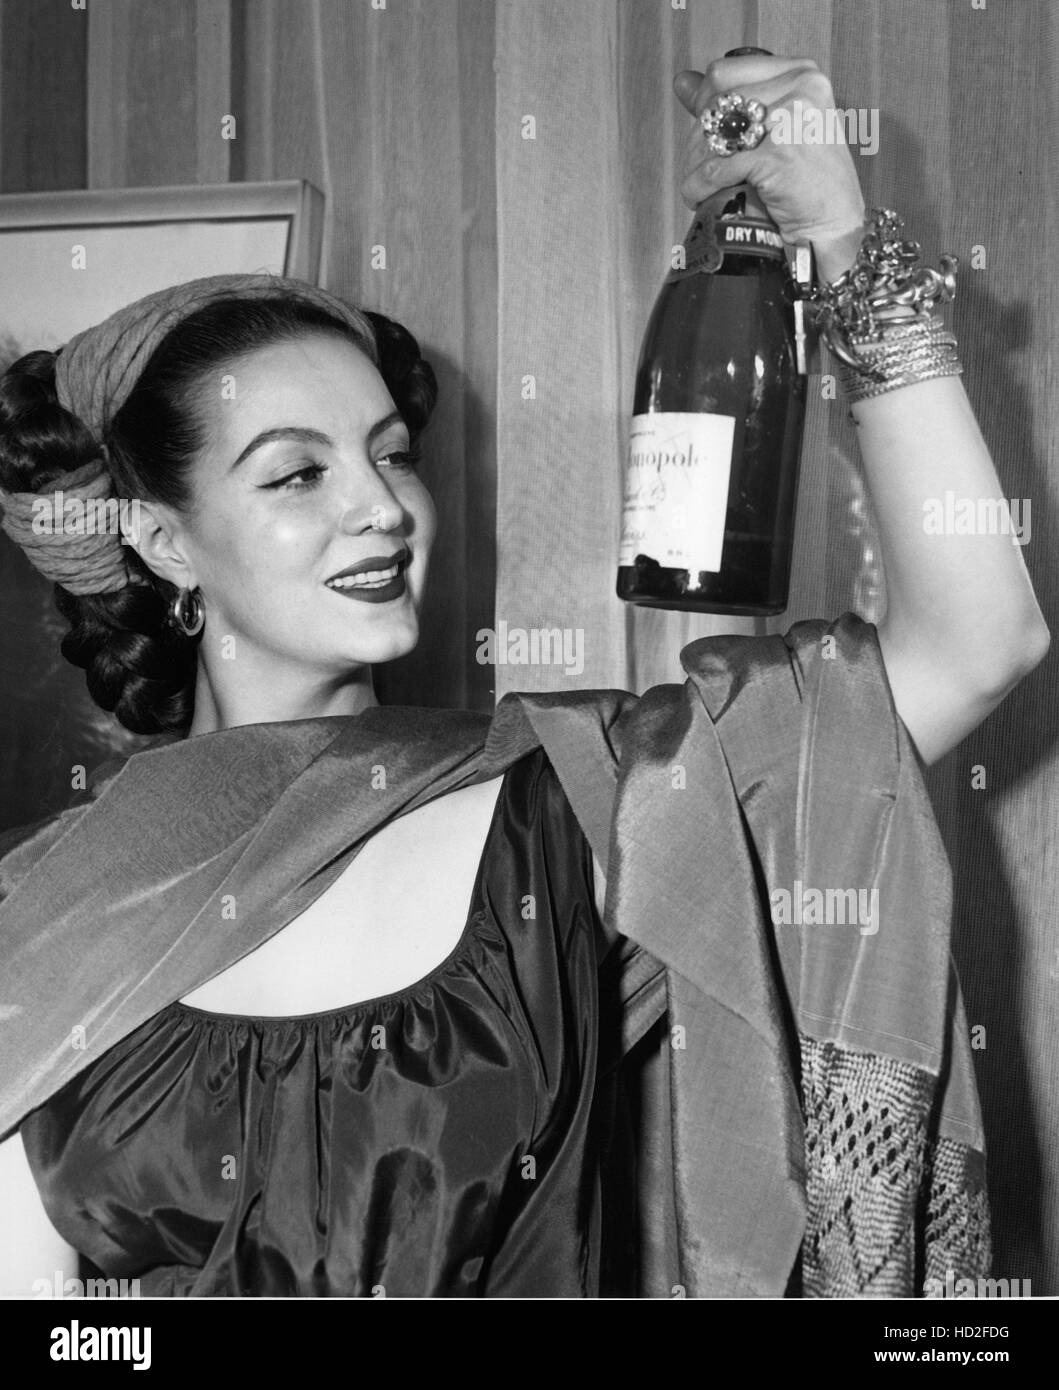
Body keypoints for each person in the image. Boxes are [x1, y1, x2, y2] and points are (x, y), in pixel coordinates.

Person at [0, 55, 1048, 1298]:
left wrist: (842, 239)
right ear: (165, 539)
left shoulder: (571, 800)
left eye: (391, 455)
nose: (383, 510)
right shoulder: (48, 910)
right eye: (298, 473)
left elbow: (982, 638)